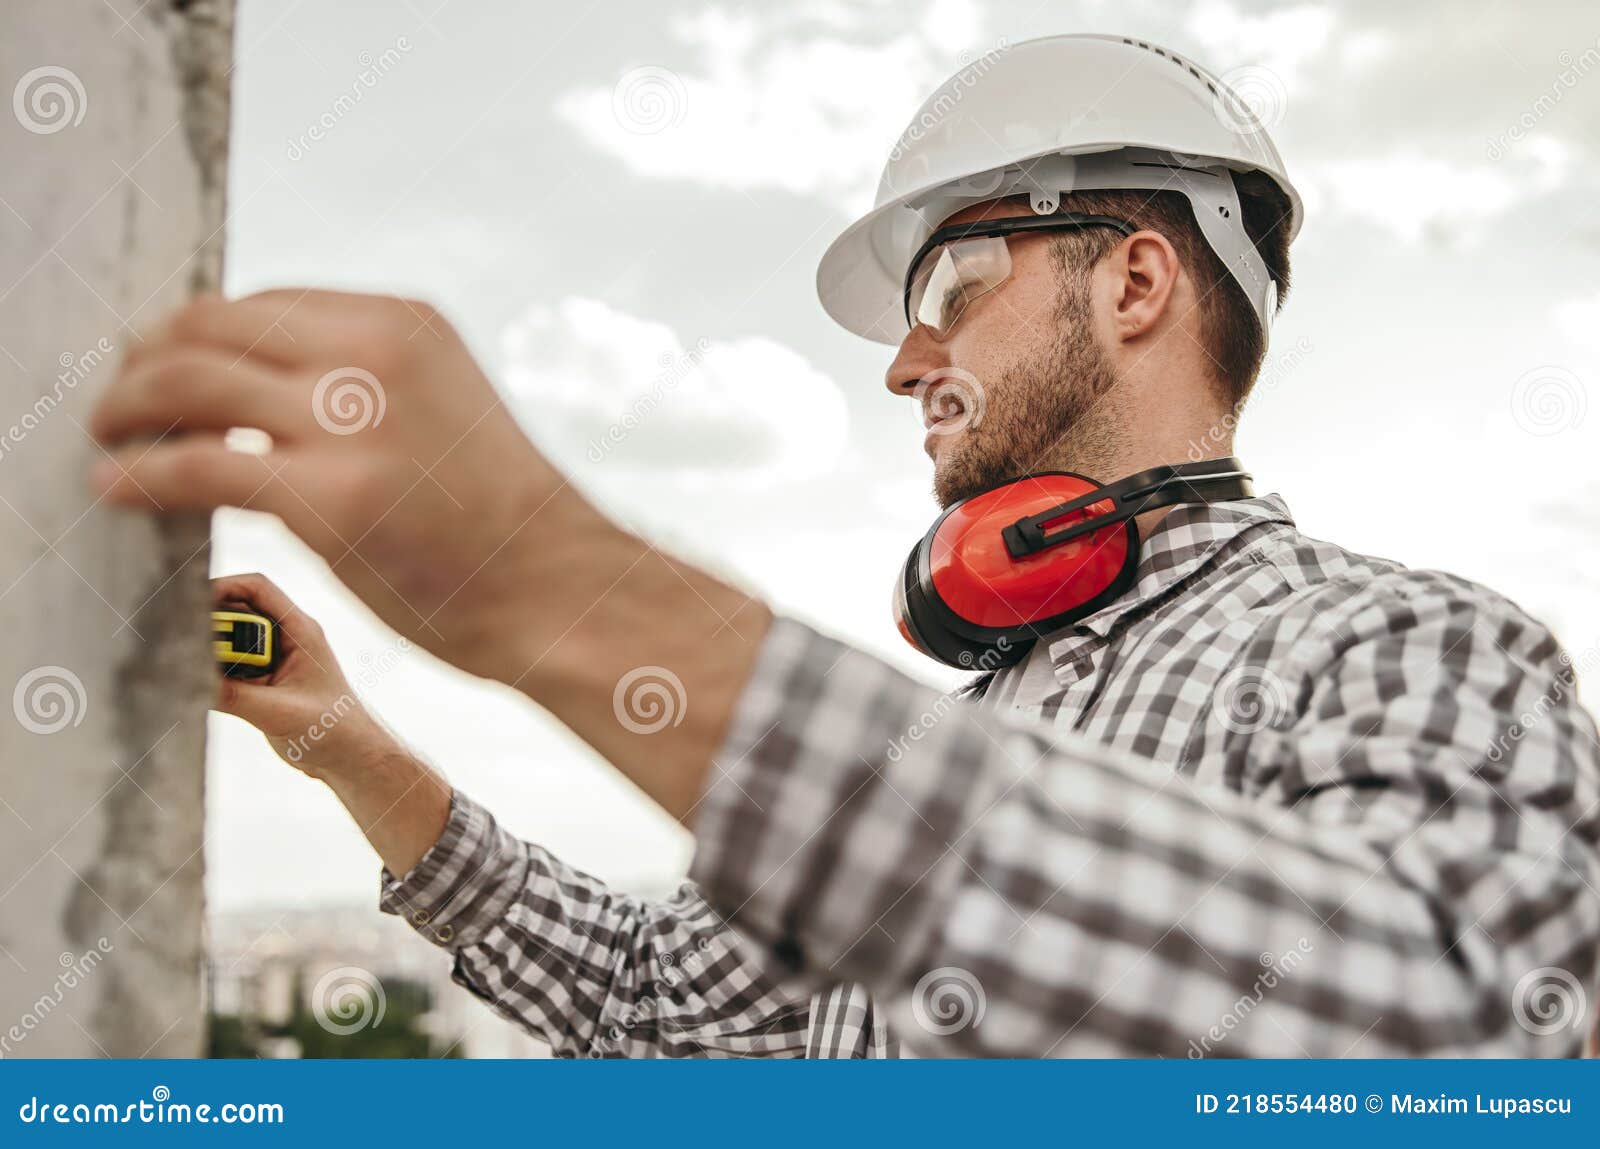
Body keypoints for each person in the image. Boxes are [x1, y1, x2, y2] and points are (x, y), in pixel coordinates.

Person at [89, 35, 1600, 1057]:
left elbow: (1466, 1037)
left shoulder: (1412, 652)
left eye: (949, 282)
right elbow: (651, 1004)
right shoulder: (971, 733)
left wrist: (555, 579)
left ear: (1138, 278)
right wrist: (351, 743)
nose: (901, 364)